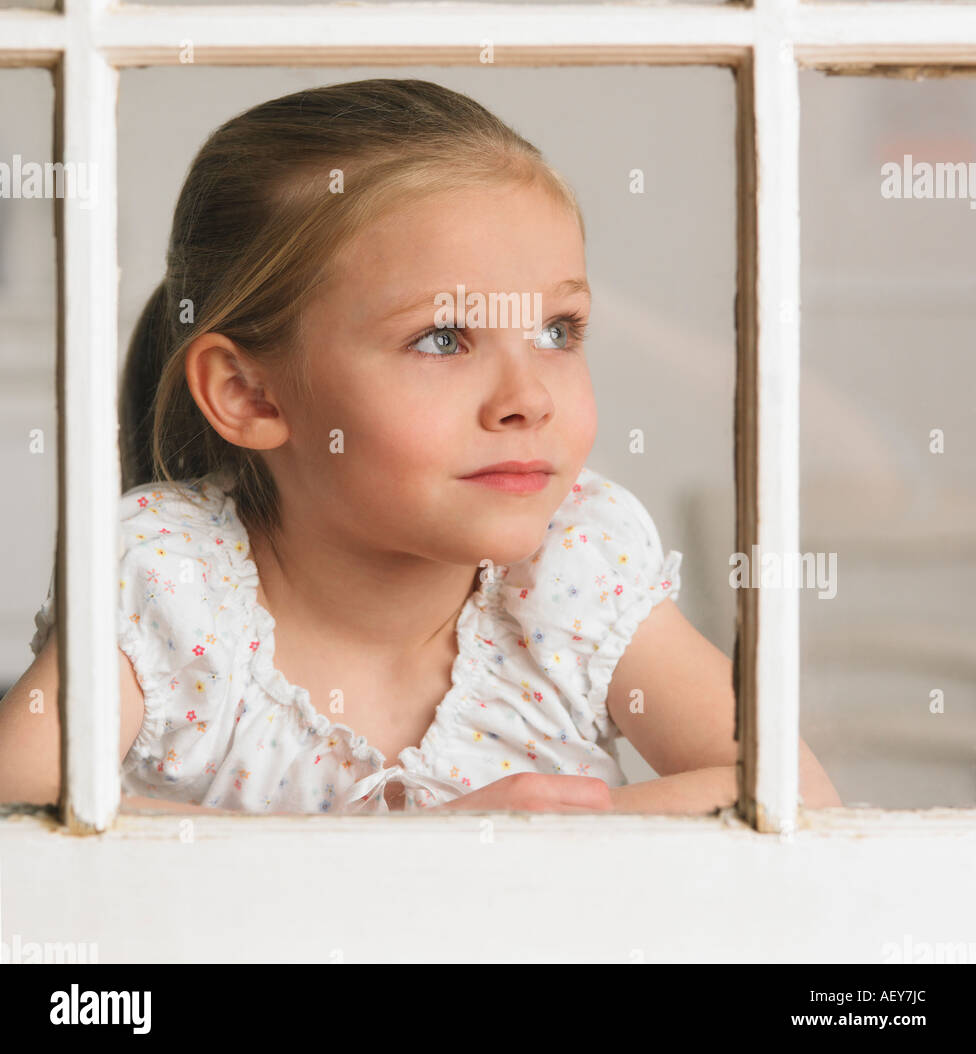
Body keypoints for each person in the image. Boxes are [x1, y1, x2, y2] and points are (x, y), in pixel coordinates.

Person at [0, 78, 841, 816]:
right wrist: (404, 855)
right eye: (442, 339)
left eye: (558, 329)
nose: (528, 399)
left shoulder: (570, 572)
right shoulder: (168, 580)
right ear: (250, 394)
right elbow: (21, 812)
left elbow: (789, 792)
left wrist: (572, 834)